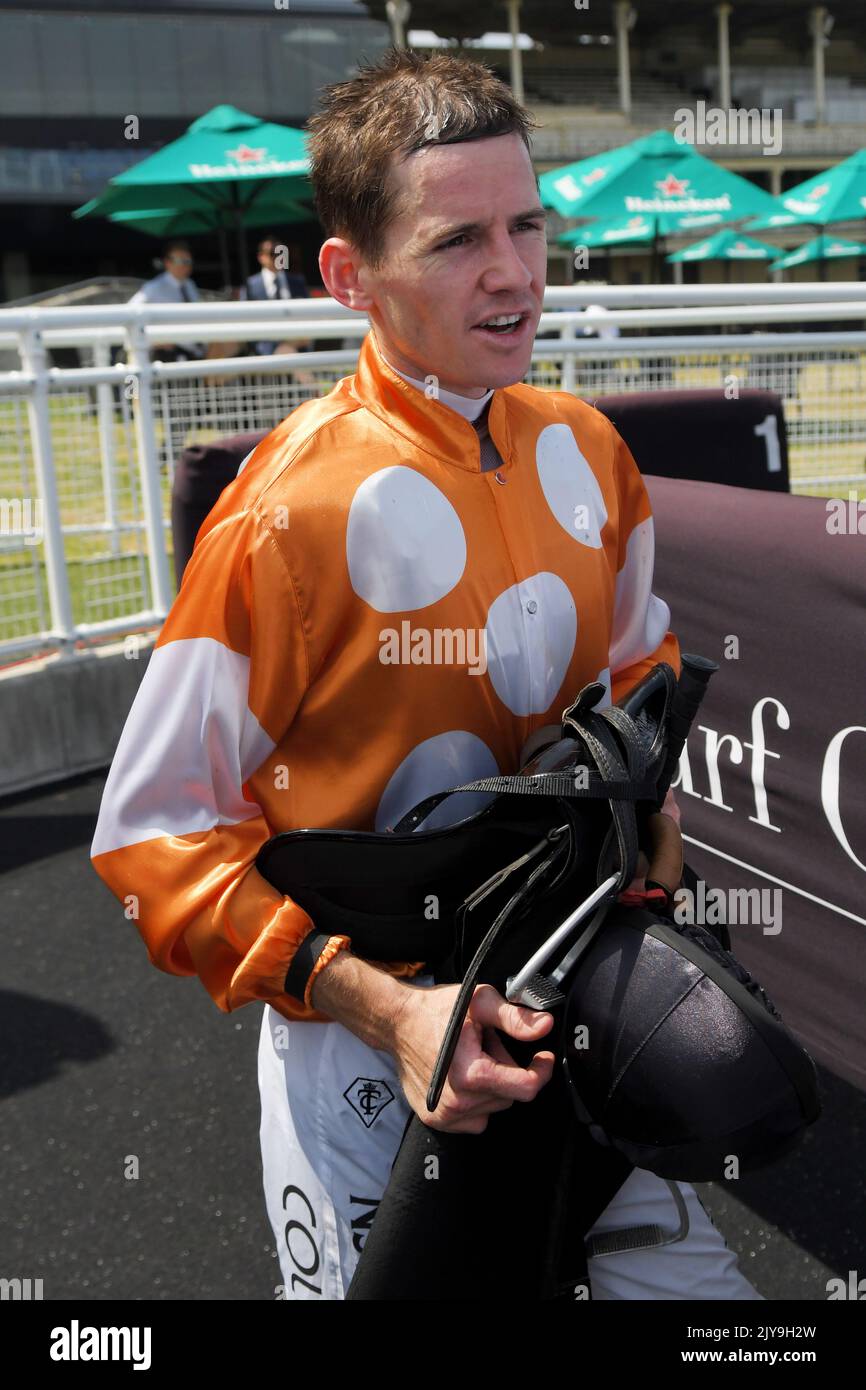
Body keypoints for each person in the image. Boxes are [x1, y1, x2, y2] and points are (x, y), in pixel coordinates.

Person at [91, 48, 762, 1302]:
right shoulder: (278, 518)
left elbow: (639, 673)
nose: (512, 273)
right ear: (347, 275)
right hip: (367, 1061)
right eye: (457, 240)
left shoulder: (587, 448)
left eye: (525, 224)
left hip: (580, 1019)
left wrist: (647, 831)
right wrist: (383, 1010)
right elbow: (156, 837)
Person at [129, 240, 204, 363]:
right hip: (171, 355)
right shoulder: (154, 287)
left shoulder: (190, 285)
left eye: (188, 261)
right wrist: (154, 339)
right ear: (167, 263)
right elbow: (131, 312)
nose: (185, 265)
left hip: (196, 351)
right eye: (180, 261)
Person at [242, 235, 311, 357]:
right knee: (285, 351)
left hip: (296, 339)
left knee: (288, 349)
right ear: (261, 257)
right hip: (265, 344)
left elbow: (309, 314)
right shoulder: (251, 285)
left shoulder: (297, 281)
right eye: (273, 253)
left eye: (282, 252)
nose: (278, 257)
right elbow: (245, 320)